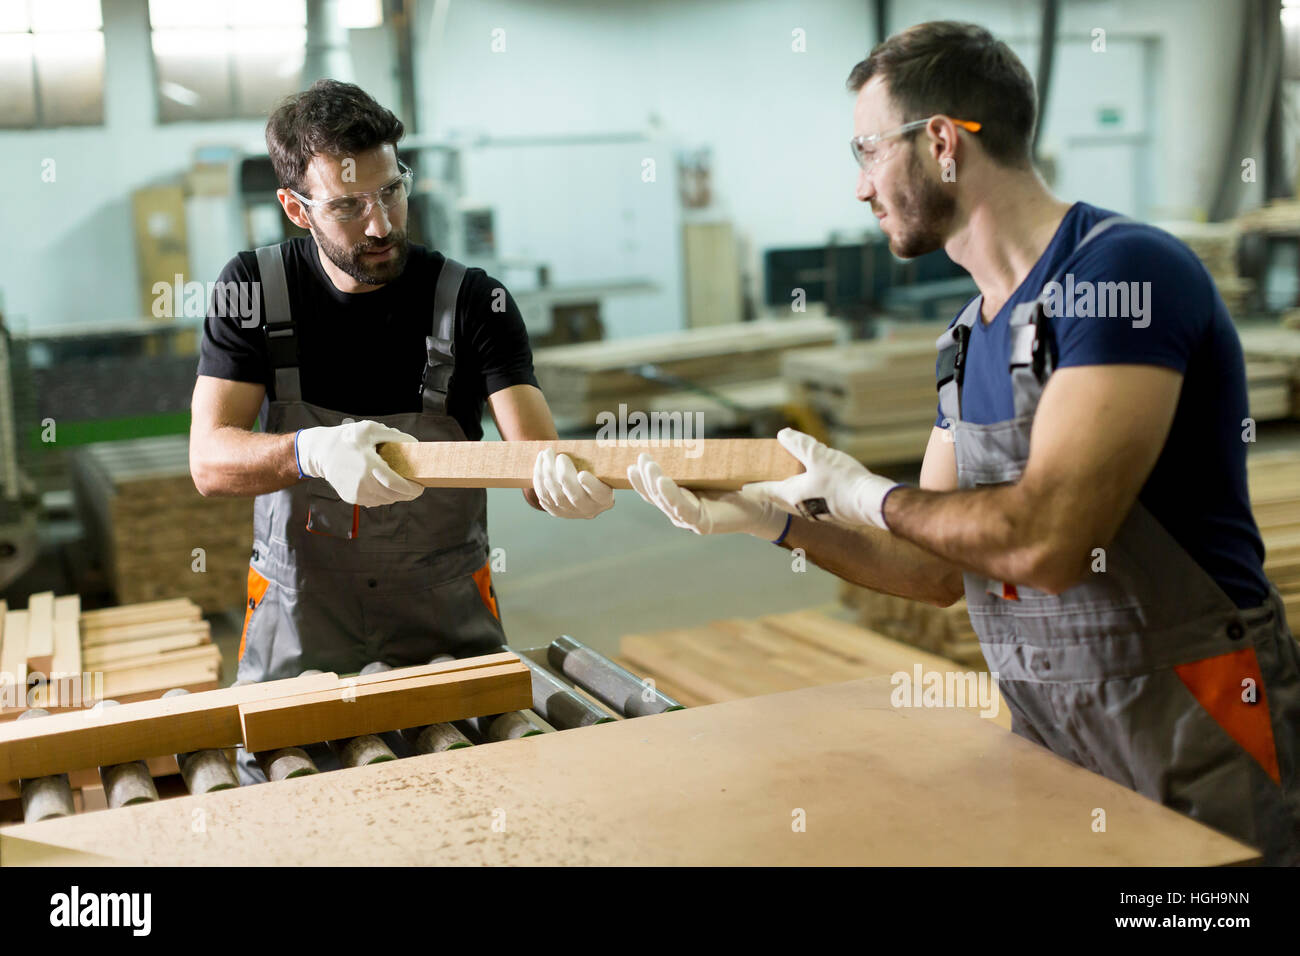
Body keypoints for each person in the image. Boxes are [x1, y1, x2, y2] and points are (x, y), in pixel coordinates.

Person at [628, 22, 1300, 863]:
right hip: (1057, 731)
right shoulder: (967, 341)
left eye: (868, 151)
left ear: (941, 142)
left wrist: (868, 493)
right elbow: (938, 568)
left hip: (1194, 721)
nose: (861, 188)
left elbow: (1048, 542)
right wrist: (778, 522)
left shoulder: (1121, 275)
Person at [189, 80, 612, 784]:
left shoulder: (473, 301)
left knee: (478, 786)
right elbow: (209, 460)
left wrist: (562, 482)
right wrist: (308, 449)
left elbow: (535, 457)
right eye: (349, 206)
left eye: (391, 192)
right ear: (296, 209)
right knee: (295, 791)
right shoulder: (253, 289)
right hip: (301, 620)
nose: (380, 224)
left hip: (442, 616)